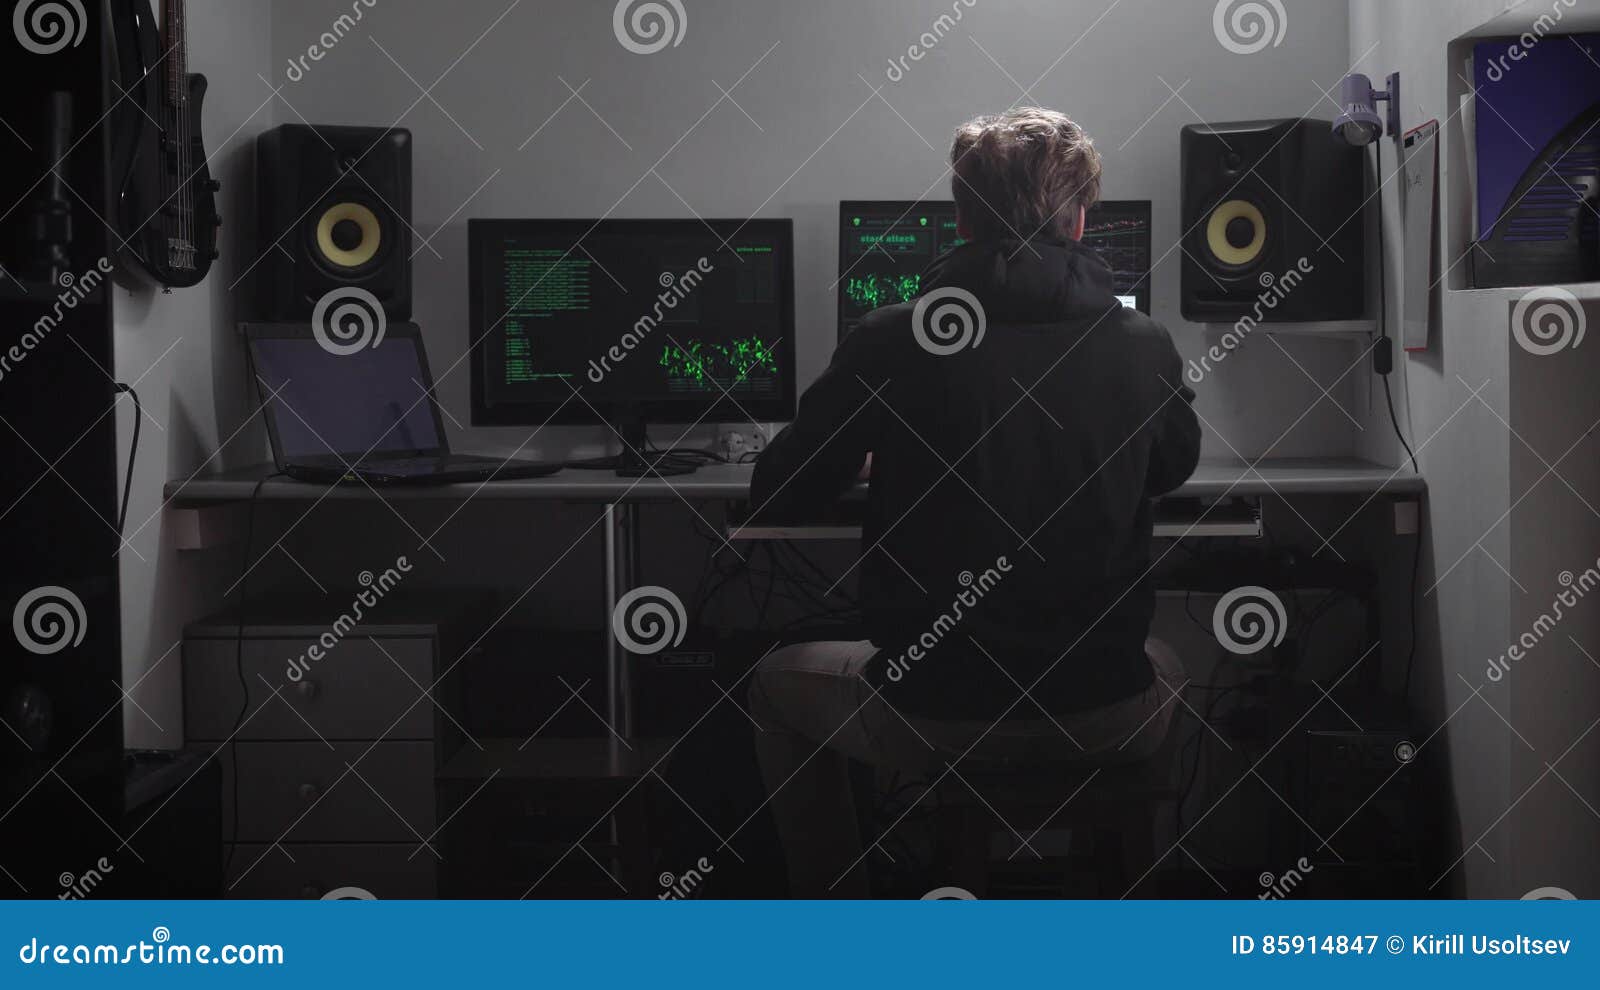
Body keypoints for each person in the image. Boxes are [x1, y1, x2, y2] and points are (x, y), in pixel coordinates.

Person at [745, 108, 1201, 897]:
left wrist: (881, 452)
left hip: (935, 708)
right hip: (1100, 708)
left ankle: (836, 917)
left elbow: (781, 489)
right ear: (1082, 216)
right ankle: (1121, 900)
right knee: (1171, 664)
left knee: (771, 685)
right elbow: (1173, 468)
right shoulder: (1145, 345)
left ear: (958, 217)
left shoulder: (892, 338)